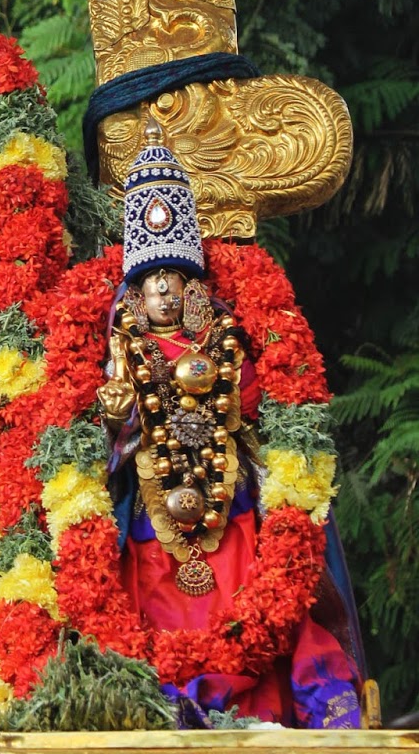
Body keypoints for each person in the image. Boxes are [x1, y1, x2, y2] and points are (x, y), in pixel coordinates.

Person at [98, 121, 365, 727]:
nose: (164, 295)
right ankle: (169, 703)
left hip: (228, 497)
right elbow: (111, 418)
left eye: (175, 283)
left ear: (194, 288)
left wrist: (222, 386)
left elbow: (247, 408)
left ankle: (260, 707)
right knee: (149, 598)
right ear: (136, 295)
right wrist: (119, 417)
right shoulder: (124, 346)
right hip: (151, 500)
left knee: (245, 596)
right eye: (153, 284)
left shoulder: (223, 339)